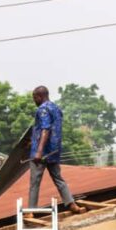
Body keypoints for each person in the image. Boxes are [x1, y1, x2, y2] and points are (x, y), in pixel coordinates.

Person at [27, 85, 85, 215]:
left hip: (41, 153)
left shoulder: (42, 109)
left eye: (34, 98)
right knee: (58, 179)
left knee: (34, 182)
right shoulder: (56, 108)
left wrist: (39, 151)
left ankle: (31, 210)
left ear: (40, 96)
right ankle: (71, 204)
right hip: (54, 152)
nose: (34, 101)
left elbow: (45, 129)